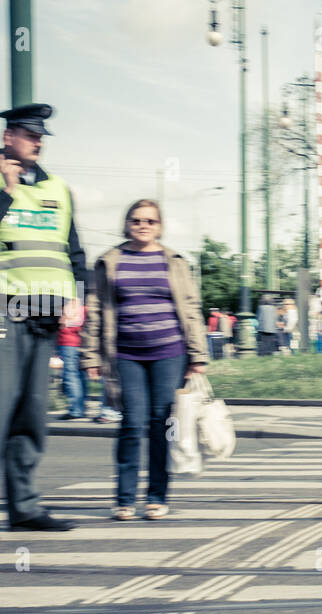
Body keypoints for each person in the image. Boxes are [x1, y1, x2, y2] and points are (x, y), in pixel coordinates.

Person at [0, 102, 86, 544]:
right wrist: (7, 190)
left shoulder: (59, 190)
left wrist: (77, 299)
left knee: (31, 416)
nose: (38, 140)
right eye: (30, 134)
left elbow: (74, 253)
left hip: (44, 316)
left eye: (42, 135)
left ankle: (23, 507)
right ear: (8, 137)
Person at [84, 200, 208, 521]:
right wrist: (91, 356)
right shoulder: (110, 261)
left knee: (161, 424)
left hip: (170, 353)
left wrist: (198, 356)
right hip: (126, 354)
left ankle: (156, 495)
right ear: (126, 224)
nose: (143, 225)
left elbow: (191, 310)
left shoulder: (174, 261)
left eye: (150, 221)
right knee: (131, 423)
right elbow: (95, 310)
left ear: (160, 227)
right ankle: (124, 498)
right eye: (137, 220)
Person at [55, 301, 87, 420]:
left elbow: (64, 323)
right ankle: (81, 407)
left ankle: (76, 409)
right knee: (79, 375)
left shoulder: (71, 302)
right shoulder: (81, 303)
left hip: (69, 342)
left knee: (70, 375)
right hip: (79, 342)